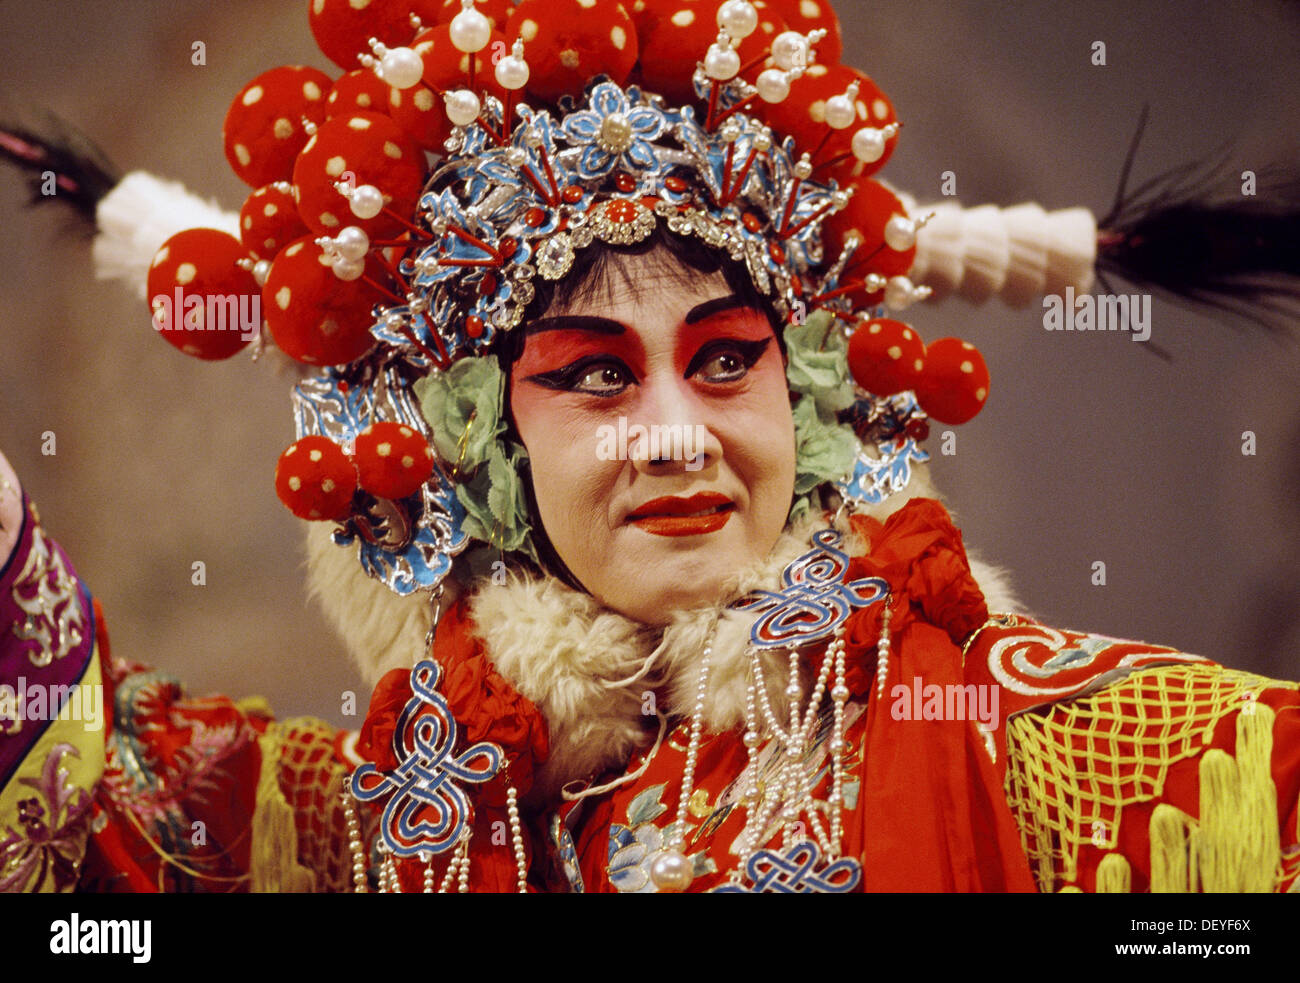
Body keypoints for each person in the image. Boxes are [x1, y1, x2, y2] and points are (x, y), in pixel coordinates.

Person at [2, 0, 1297, 894]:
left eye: (728, 359)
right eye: (596, 378)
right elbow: (91, 810)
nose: (679, 433)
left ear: (816, 404)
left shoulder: (1032, 739)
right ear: (486, 453)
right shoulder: (403, 829)